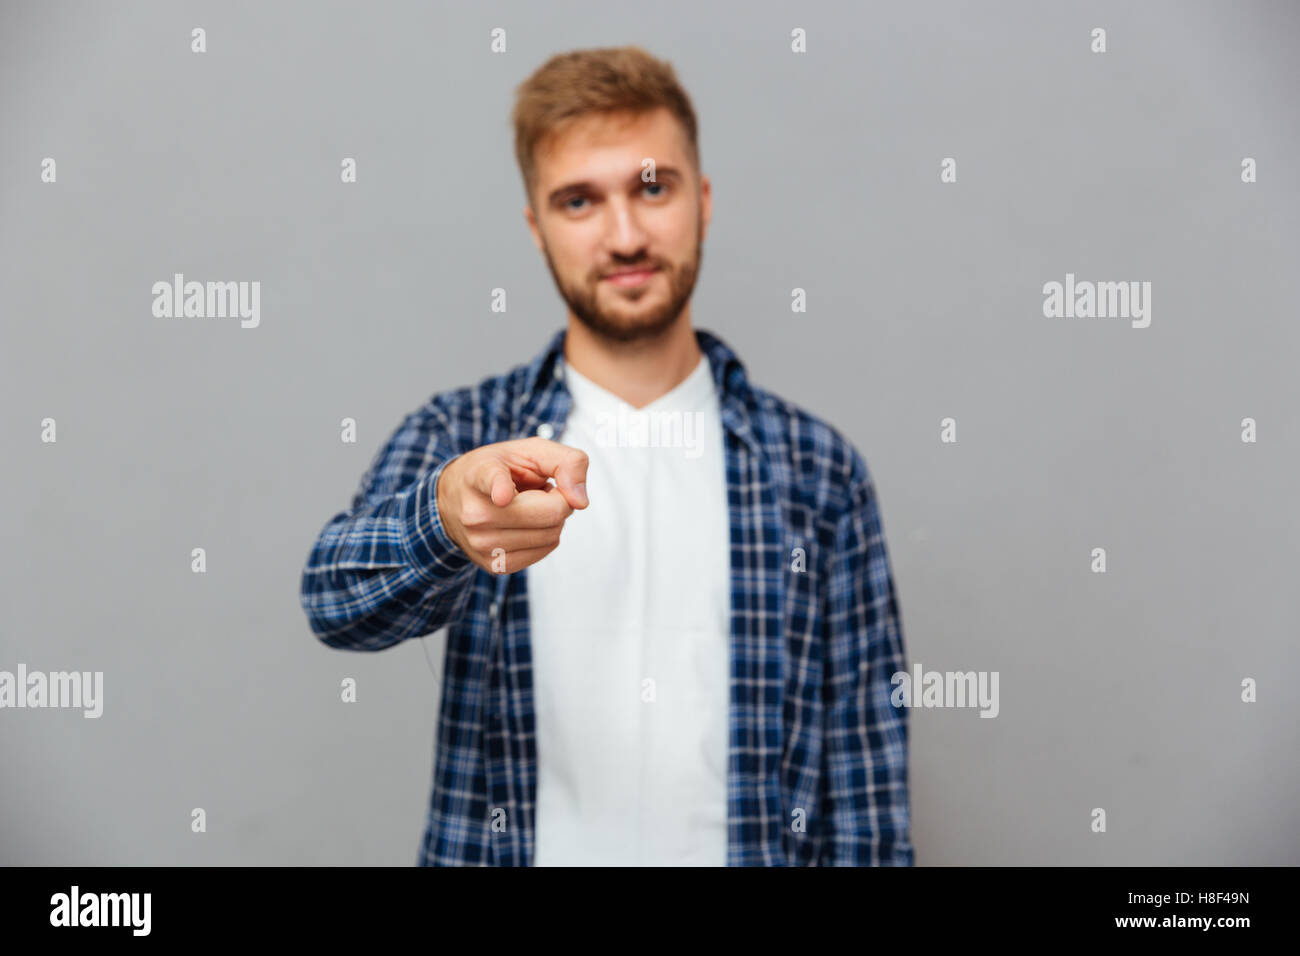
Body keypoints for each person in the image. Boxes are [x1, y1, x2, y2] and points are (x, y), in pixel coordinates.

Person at [300, 45, 914, 866]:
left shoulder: (818, 471)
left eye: (652, 188)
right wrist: (445, 520)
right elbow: (333, 600)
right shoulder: (465, 433)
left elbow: (868, 790)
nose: (625, 236)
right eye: (580, 201)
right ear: (537, 228)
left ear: (702, 201)